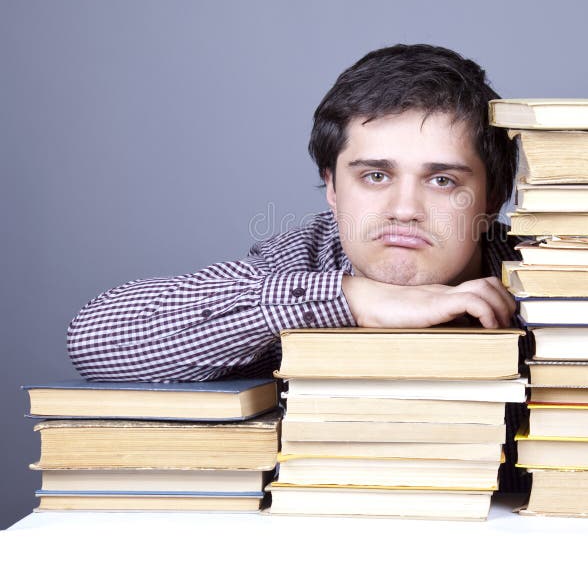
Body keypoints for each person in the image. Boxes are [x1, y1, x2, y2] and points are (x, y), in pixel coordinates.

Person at [66, 43, 528, 489]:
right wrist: (347, 297)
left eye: (442, 180)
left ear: (492, 197)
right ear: (331, 186)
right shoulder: (298, 261)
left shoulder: (551, 278)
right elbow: (96, 338)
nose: (404, 209)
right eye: (375, 175)